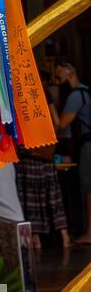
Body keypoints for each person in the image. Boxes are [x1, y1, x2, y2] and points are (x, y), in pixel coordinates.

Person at [50, 61, 91, 244]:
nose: (57, 81)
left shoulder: (76, 95)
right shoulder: (86, 91)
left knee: (88, 189)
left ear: (69, 72)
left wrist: (50, 106)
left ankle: (89, 232)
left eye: (59, 75)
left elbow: (62, 125)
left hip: (87, 144)